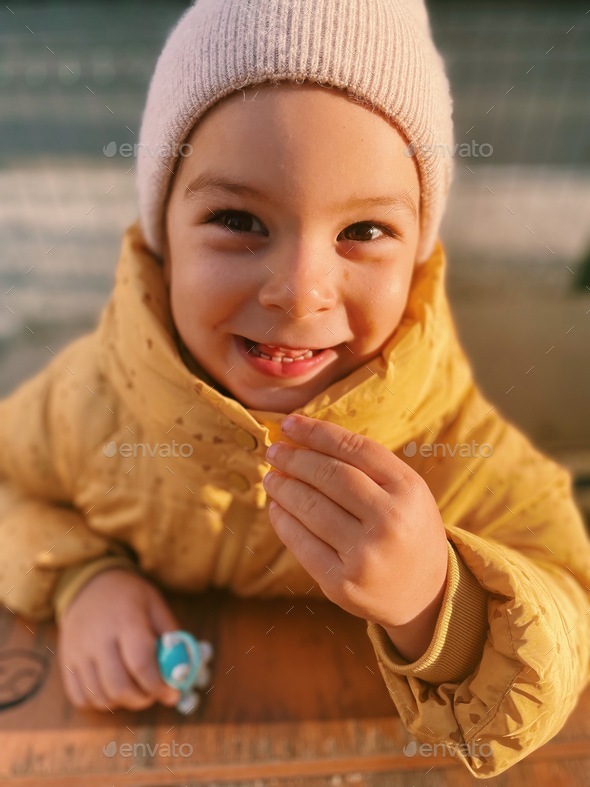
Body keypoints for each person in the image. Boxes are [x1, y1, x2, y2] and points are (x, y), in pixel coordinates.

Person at [0, 0, 588, 777]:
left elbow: (568, 608)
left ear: (417, 252)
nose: (301, 291)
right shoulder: (92, 399)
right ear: (163, 236)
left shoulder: (450, 438)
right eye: (239, 219)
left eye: (364, 231)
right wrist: (77, 576)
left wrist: (438, 601)